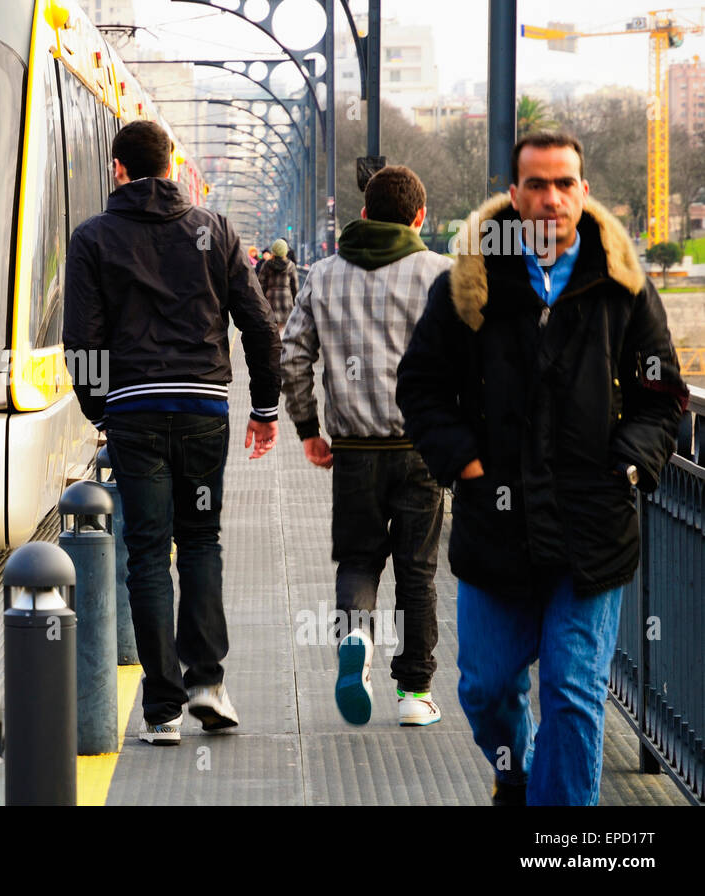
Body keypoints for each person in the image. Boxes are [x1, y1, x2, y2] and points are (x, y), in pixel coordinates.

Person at [395, 131, 688, 805]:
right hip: (495, 524)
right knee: (487, 687)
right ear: (515, 194)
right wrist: (465, 464)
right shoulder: (469, 284)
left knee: (573, 693)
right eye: (536, 184)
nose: (550, 198)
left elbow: (661, 393)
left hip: (593, 526)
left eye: (564, 184)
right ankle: (513, 773)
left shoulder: (623, 288)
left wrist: (631, 467)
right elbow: (422, 386)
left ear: (584, 192)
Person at [63, 120, 281, 745]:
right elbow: (260, 327)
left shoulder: (94, 238)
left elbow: (82, 340)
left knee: (149, 553)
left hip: (134, 414)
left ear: (118, 169)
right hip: (203, 413)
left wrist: (100, 411)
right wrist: (264, 409)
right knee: (202, 541)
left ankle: (162, 712)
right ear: (173, 167)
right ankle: (208, 684)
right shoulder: (214, 230)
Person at [280, 165, 451, 728]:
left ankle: (356, 634)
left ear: (363, 213)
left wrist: (308, 428)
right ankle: (415, 694)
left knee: (358, 561)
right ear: (419, 218)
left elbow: (293, 354)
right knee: (418, 572)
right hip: (421, 449)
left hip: (352, 450)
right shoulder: (440, 275)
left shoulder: (324, 275)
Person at [257, 238, 299, 333]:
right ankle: (281, 344)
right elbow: (295, 287)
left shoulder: (267, 264)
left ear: (273, 250)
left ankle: (274, 344)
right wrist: (295, 303)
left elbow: (261, 284)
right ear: (285, 251)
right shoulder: (290, 265)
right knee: (283, 329)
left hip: (270, 299)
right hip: (286, 300)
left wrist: (261, 302)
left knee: (271, 328)